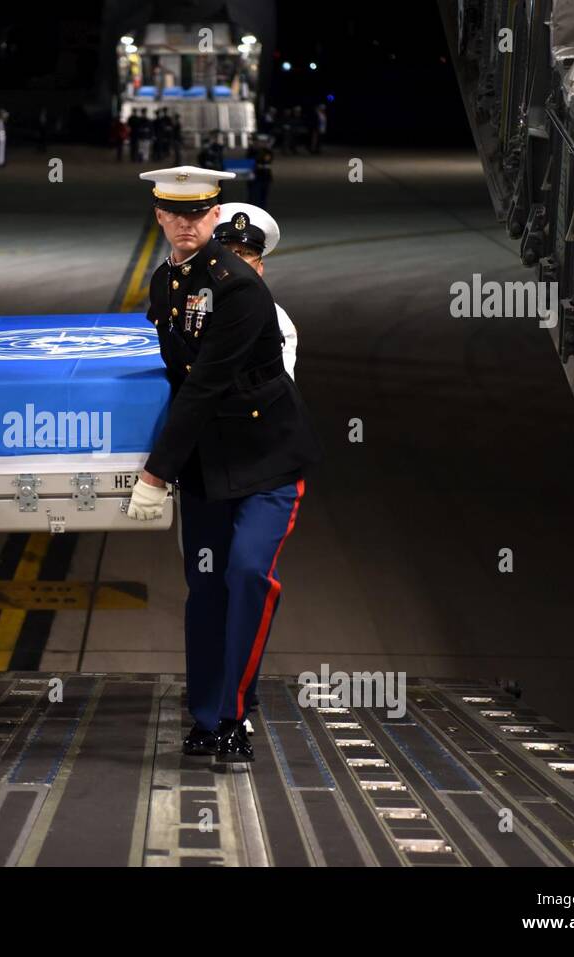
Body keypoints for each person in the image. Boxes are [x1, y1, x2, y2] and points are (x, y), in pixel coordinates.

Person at [126, 166, 321, 763]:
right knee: (205, 588)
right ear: (160, 216)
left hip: (266, 462)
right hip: (209, 463)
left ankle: (234, 715)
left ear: (213, 216)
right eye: (174, 212)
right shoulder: (165, 282)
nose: (186, 223)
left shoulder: (239, 287)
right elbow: (171, 374)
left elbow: (205, 384)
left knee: (245, 575)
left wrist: (155, 473)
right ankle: (206, 715)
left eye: (197, 213)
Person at [213, 202, 297, 379]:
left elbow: (277, 387)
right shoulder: (193, 303)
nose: (234, 262)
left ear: (260, 268)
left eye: (245, 253)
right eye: (226, 252)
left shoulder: (277, 320)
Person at [246, 133, 274, 210]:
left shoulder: (267, 151)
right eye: (260, 141)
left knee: (263, 197)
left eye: (264, 142)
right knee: (254, 197)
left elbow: (268, 160)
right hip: (255, 177)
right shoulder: (252, 150)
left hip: (265, 176)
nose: (262, 143)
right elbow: (252, 160)